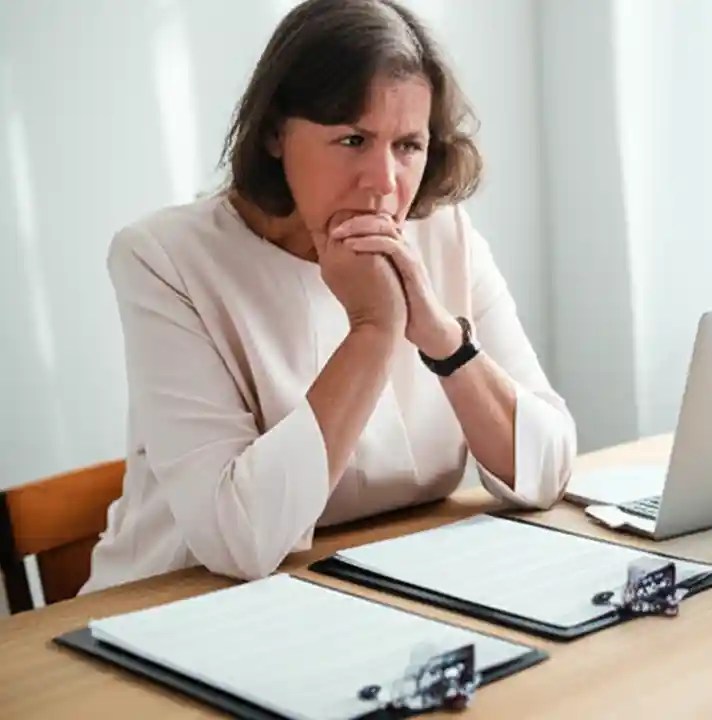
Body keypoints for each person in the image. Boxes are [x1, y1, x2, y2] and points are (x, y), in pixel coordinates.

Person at [82, 0, 576, 593]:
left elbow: (549, 470)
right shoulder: (163, 258)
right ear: (274, 133)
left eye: (408, 146)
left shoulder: (444, 234)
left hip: (374, 587)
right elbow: (240, 542)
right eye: (352, 139)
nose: (384, 181)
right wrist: (374, 329)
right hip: (171, 606)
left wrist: (443, 339)